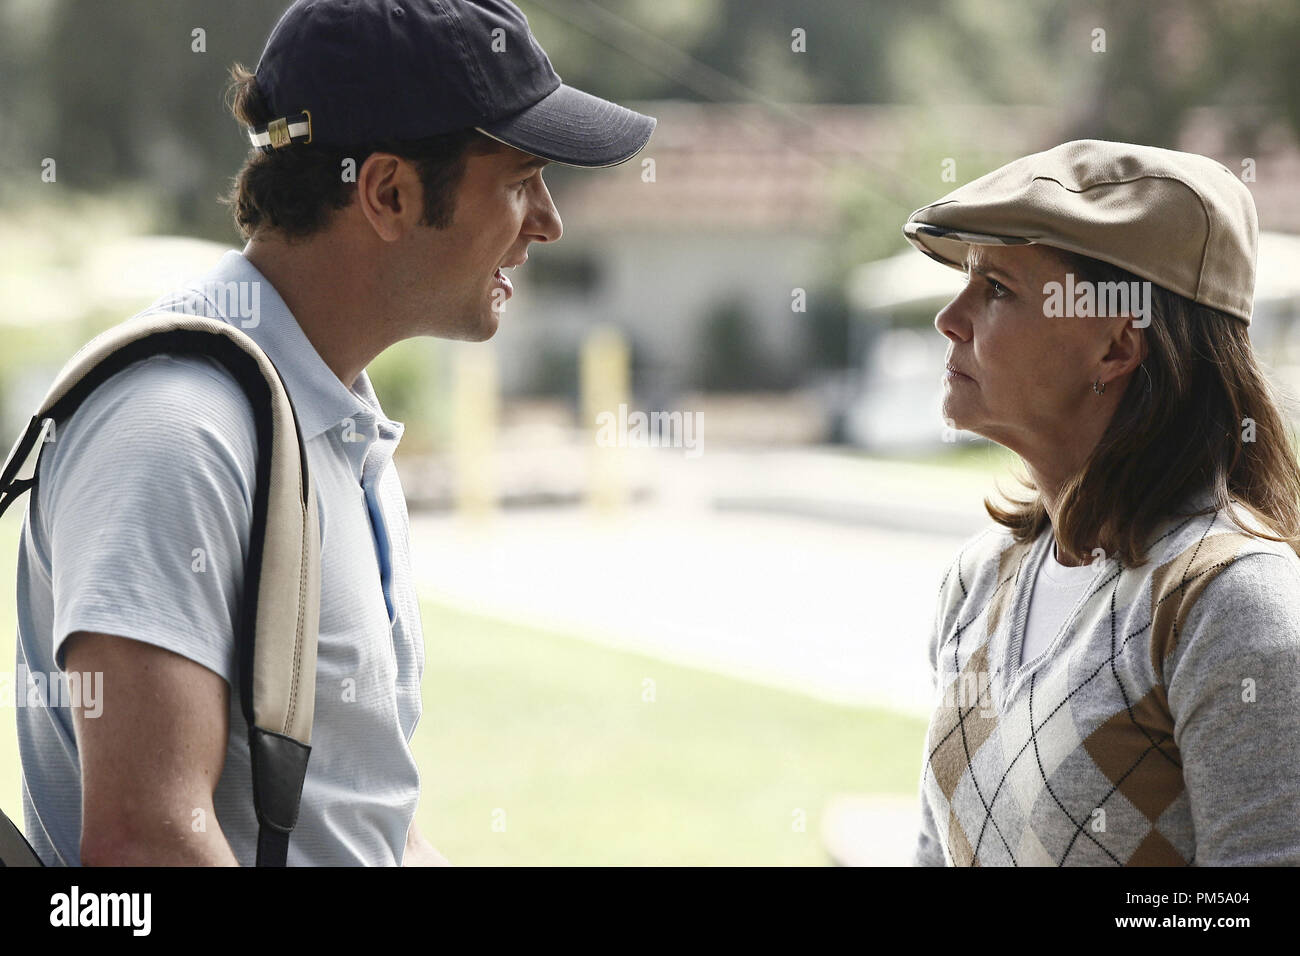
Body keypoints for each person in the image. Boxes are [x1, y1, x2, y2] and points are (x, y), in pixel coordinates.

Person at [15, 0, 654, 866]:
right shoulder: (178, 429)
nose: (549, 221)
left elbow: (363, 818)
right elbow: (147, 843)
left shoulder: (325, 413)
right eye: (519, 178)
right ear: (388, 192)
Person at [903, 139, 1300, 866]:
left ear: (1117, 347)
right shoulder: (979, 579)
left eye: (996, 289)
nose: (949, 319)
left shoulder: (1232, 603)